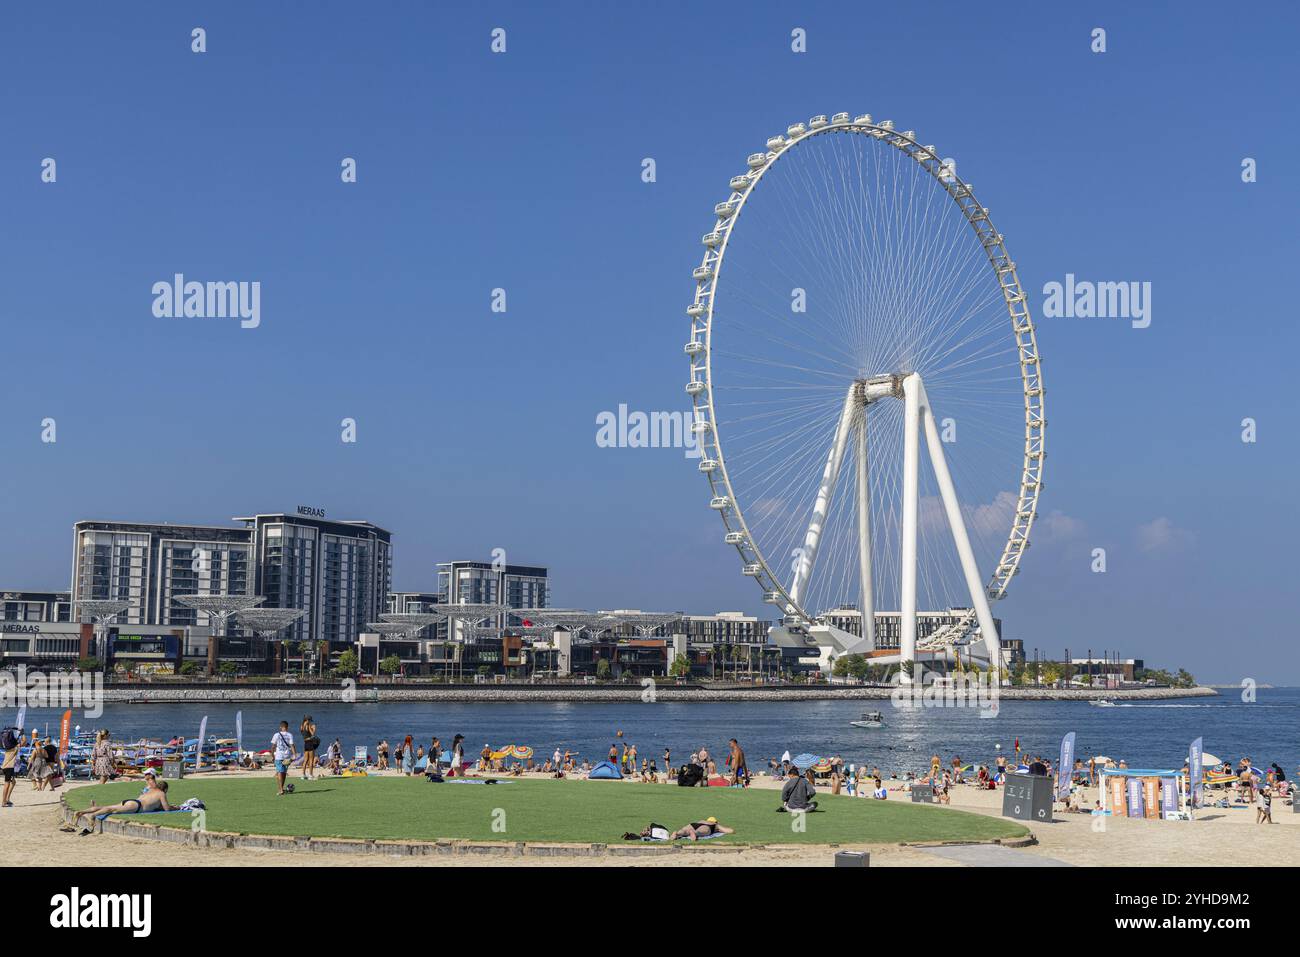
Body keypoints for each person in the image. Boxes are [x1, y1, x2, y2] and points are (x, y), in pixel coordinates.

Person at [70, 779, 171, 835]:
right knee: (111, 810)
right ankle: (93, 815)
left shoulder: (150, 791)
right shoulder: (161, 793)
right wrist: (174, 807)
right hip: (136, 806)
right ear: (165, 789)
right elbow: (167, 809)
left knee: (105, 807)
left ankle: (81, 812)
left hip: (132, 801)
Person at [2, 730, 26, 808]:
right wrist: (23, 734)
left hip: (6, 766)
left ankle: (7, 799)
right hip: (9, 767)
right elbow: (24, 742)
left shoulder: (8, 748)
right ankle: (3, 802)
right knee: (7, 784)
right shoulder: (14, 748)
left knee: (13, 782)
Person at [271, 721, 297, 796]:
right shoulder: (290, 735)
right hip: (287, 756)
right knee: (284, 772)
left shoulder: (276, 735)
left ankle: (280, 790)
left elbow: (273, 746)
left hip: (279, 756)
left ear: (280, 727)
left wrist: (272, 755)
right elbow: (292, 745)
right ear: (287, 727)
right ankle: (281, 788)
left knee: (279, 772)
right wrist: (294, 755)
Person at [300, 716, 319, 781]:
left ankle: (303, 775)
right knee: (311, 760)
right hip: (310, 743)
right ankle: (310, 775)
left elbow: (305, 734)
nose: (310, 722)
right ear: (307, 720)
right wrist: (314, 728)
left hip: (305, 743)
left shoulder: (301, 726)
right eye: (310, 720)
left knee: (305, 760)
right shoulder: (308, 725)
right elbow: (313, 734)